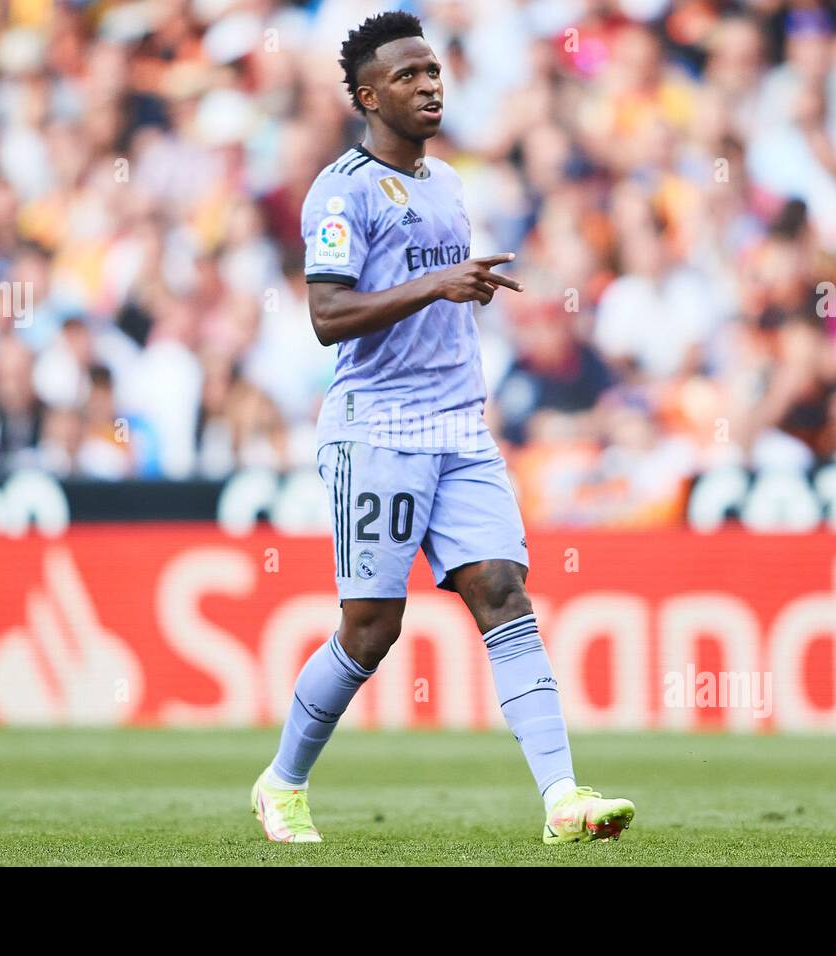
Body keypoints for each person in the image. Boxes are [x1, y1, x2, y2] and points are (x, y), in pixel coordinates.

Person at [251, 12, 634, 846]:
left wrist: (453, 292)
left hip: (460, 426)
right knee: (371, 629)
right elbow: (327, 314)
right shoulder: (339, 190)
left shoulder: (449, 182)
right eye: (410, 75)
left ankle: (563, 798)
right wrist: (437, 287)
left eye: (434, 70)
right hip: (376, 428)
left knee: (501, 590)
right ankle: (281, 783)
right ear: (367, 95)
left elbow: (436, 288)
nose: (431, 85)